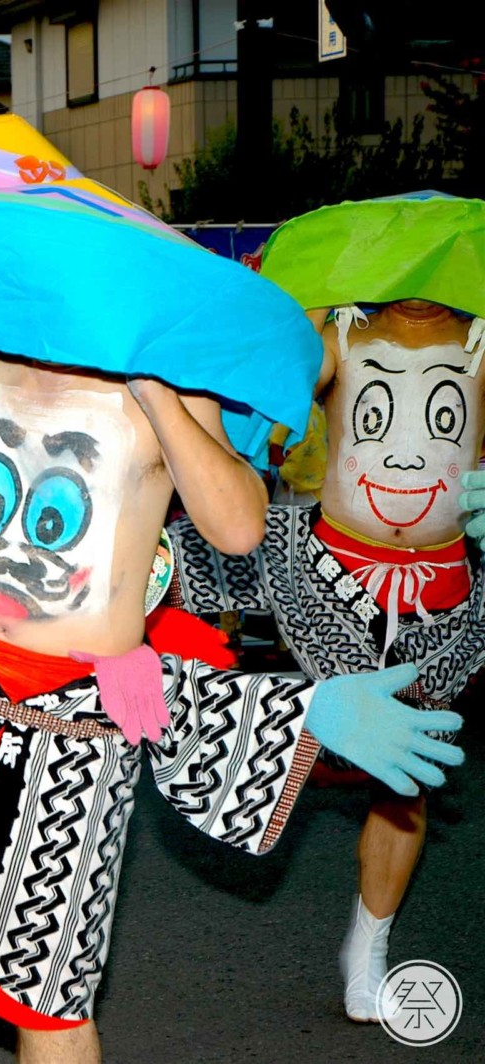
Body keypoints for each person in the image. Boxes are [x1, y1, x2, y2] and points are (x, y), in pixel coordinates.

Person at [0, 188, 465, 1063]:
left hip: (77, 718)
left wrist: (157, 396)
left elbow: (236, 527)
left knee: (45, 997)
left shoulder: (163, 393)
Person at [168, 193, 485, 1023]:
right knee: (174, 597)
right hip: (327, 575)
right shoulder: (337, 333)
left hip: (445, 592)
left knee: (405, 777)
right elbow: (267, 382)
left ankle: (368, 949)